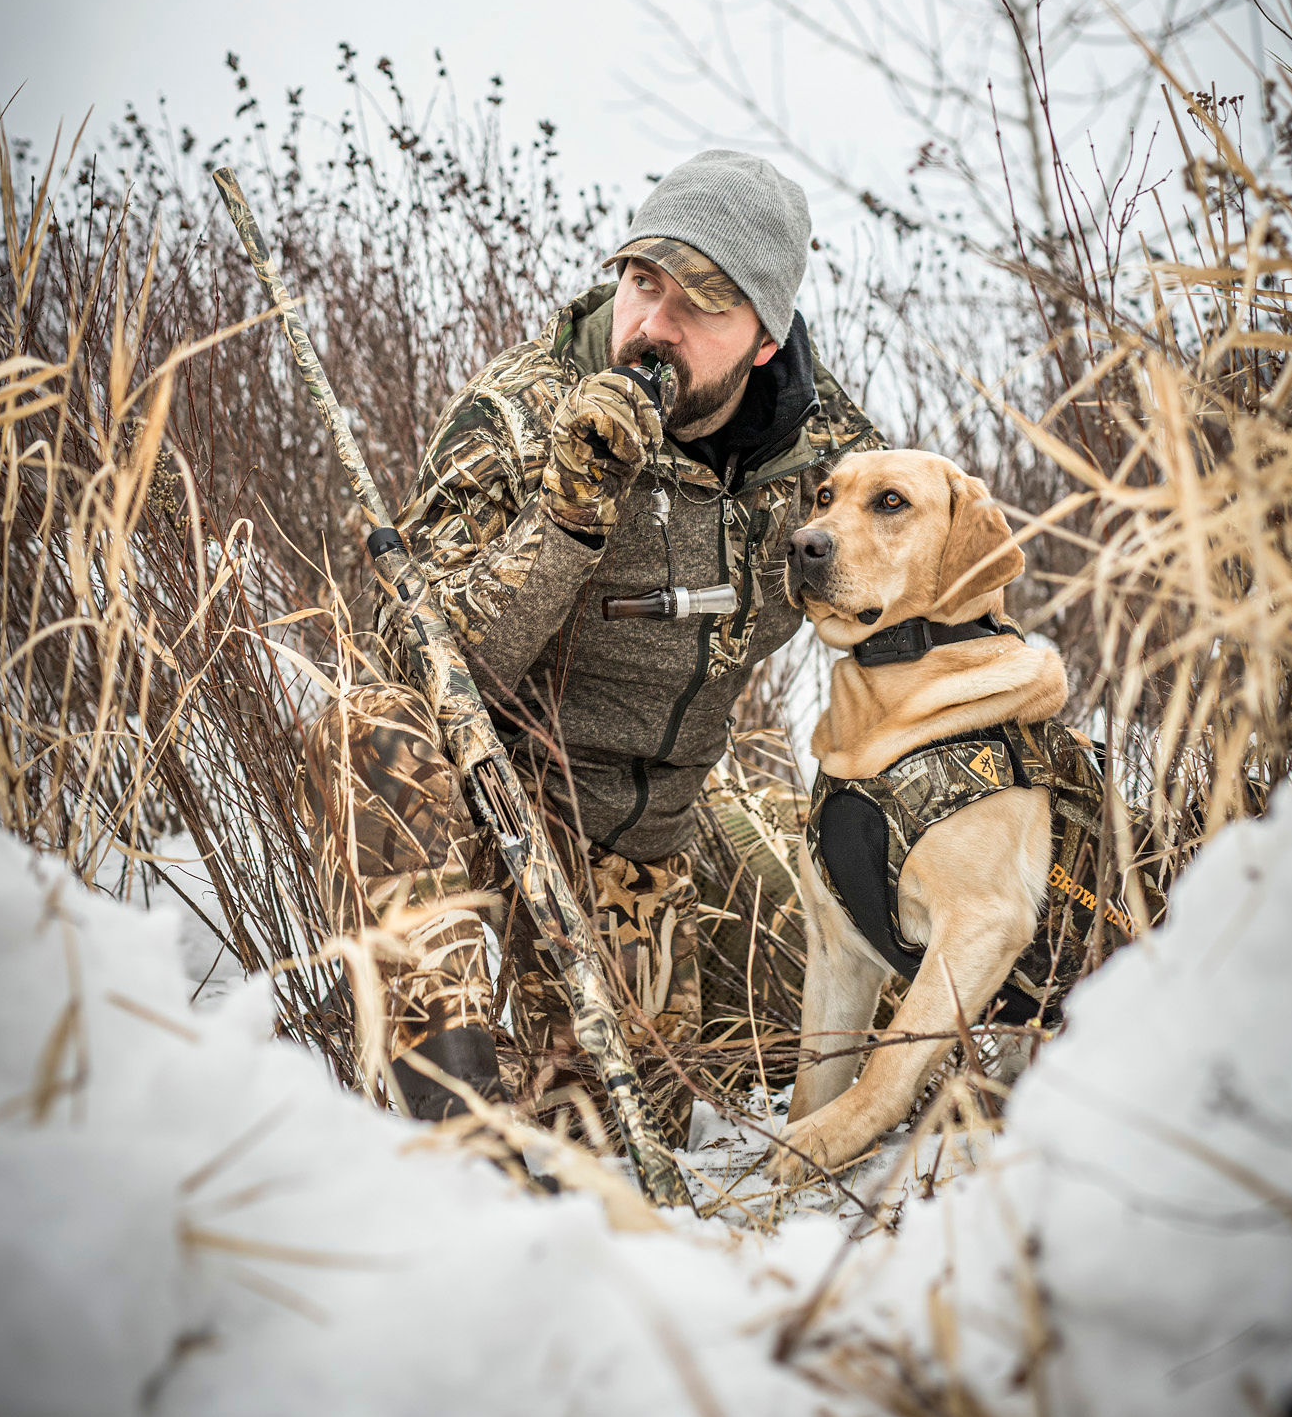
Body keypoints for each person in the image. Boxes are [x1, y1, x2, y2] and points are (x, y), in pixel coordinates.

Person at [299, 149, 876, 1136]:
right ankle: (454, 1130)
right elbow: (418, 671)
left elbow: (907, 615)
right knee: (368, 730)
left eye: (700, 303)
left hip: (648, 845)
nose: (653, 325)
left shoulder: (826, 462)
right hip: (501, 806)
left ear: (766, 340)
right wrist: (566, 517)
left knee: (613, 1133)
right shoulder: (520, 412)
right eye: (643, 282)